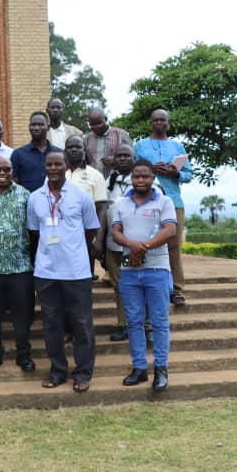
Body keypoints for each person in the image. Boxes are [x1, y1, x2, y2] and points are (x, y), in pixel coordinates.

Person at [27, 151, 100, 393]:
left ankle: (82, 373)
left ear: (66, 166)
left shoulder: (81, 197)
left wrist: (73, 249)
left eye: (58, 164)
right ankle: (57, 370)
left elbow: (90, 231)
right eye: (49, 164)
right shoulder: (36, 198)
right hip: (46, 272)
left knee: (81, 324)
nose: (53, 168)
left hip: (76, 272)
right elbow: (35, 233)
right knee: (51, 325)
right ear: (44, 167)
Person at [112, 159, 177, 391]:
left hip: (157, 270)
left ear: (152, 178)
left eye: (145, 176)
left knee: (159, 322)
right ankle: (139, 368)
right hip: (129, 272)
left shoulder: (164, 201)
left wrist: (143, 248)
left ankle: (161, 369)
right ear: (131, 177)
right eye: (136, 176)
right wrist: (132, 246)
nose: (140, 180)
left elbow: (170, 230)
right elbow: (116, 231)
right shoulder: (121, 203)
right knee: (134, 322)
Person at [0, 156, 36, 372]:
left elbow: (33, 229)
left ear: (12, 171)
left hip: (20, 266)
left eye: (6, 169)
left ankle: (23, 354)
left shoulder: (25, 195)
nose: (2, 173)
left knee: (22, 314)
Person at [97, 144, 160, 342]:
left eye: (127, 155)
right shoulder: (110, 180)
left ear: (133, 158)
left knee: (145, 283)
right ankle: (123, 324)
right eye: (119, 156)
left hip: (142, 245)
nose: (123, 159)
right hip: (114, 244)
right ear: (114, 159)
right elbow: (104, 211)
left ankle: (147, 327)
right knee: (120, 286)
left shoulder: (147, 181)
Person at [135, 109, 192, 306]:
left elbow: (189, 174)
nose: (159, 123)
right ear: (151, 123)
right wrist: (152, 169)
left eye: (163, 120)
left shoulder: (177, 146)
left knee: (174, 246)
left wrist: (175, 172)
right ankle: (149, 287)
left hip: (174, 201)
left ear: (168, 123)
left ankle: (176, 290)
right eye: (156, 120)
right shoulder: (140, 145)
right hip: (146, 201)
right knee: (147, 244)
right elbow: (134, 172)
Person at [64, 135, 107, 279]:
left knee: (84, 280)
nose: (74, 150)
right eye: (70, 147)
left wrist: (98, 240)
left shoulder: (95, 175)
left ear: (84, 150)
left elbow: (101, 209)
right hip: (61, 236)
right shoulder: (57, 173)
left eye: (78, 147)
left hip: (85, 236)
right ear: (65, 150)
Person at [11, 111, 60, 192]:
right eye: (33, 125)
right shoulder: (18, 154)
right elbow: (14, 183)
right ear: (29, 127)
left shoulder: (58, 154)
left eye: (40, 124)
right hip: (28, 202)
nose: (36, 128)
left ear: (48, 127)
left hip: (55, 202)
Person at [84, 107, 132, 179]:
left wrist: (116, 159)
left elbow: (133, 156)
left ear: (105, 119)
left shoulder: (121, 134)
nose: (96, 127)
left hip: (116, 182)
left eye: (99, 124)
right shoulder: (87, 138)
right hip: (93, 181)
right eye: (92, 125)